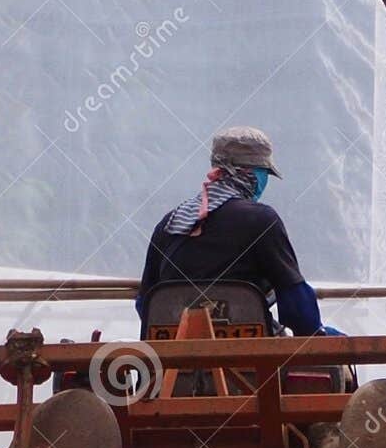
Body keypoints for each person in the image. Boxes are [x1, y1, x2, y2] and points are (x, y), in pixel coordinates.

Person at [135, 126, 337, 336]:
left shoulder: (171, 222)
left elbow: (145, 303)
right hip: (249, 362)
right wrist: (319, 333)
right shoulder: (261, 220)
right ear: (250, 173)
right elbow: (295, 304)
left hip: (175, 361)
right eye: (264, 173)